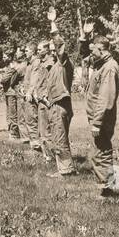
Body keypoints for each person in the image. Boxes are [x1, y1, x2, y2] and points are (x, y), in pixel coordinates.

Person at [84, 33, 119, 197]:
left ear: (101, 49)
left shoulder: (109, 68)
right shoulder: (103, 65)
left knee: (103, 152)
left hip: (103, 118)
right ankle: (107, 187)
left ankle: (110, 190)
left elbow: (105, 97)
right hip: (98, 117)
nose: (92, 54)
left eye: (94, 51)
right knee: (100, 151)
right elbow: (85, 58)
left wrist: (97, 122)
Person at [43, 32, 75, 177]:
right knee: (57, 136)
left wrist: (54, 28)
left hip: (61, 105)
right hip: (56, 105)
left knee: (60, 137)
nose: (52, 51)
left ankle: (66, 170)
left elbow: (60, 46)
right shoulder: (55, 66)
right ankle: (63, 168)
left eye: (53, 49)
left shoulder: (64, 64)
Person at [2, 48, 30, 142]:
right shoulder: (13, 65)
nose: (3, 58)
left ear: (10, 57)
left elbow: (5, 79)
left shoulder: (14, 66)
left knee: (13, 114)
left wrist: (2, 79)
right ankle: (14, 133)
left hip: (12, 92)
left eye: (5, 56)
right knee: (11, 114)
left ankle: (14, 134)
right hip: (10, 92)